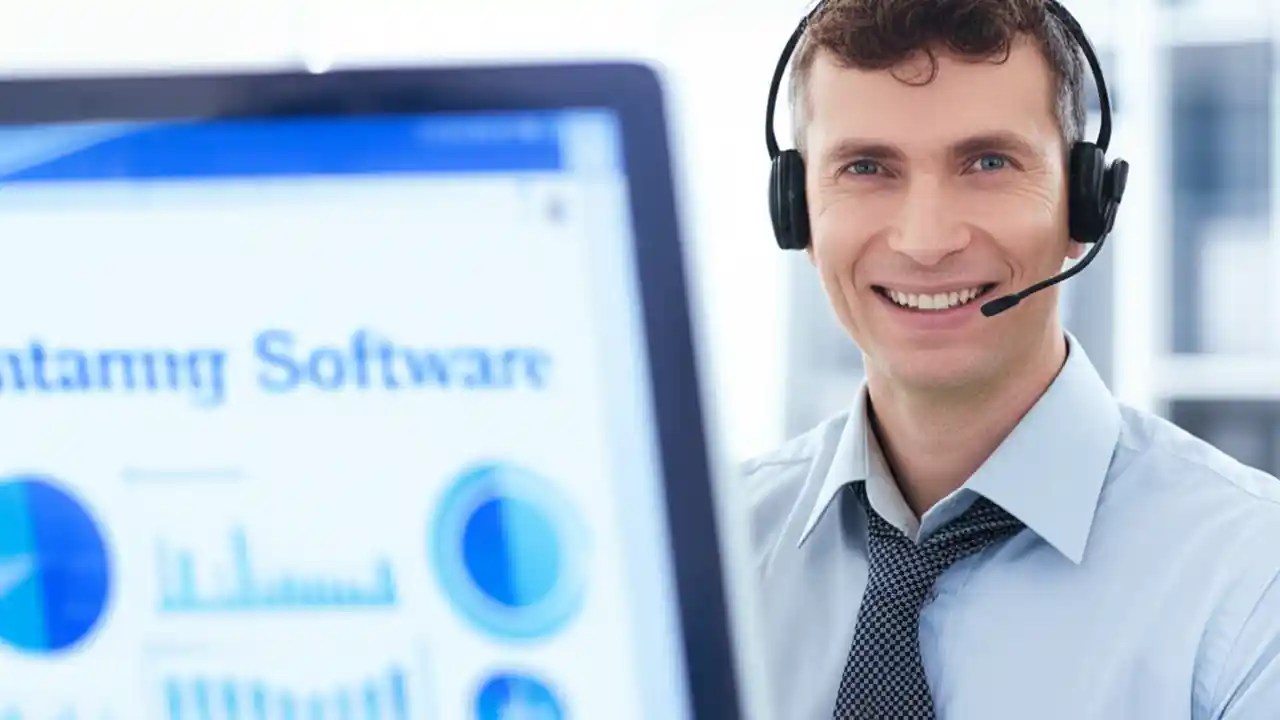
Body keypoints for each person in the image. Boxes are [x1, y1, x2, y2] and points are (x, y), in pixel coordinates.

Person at [744, 1, 1280, 718]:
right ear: (796, 213)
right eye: (867, 167)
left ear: (1086, 206)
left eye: (988, 162)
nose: (925, 240)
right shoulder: (699, 558)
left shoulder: (1251, 582)